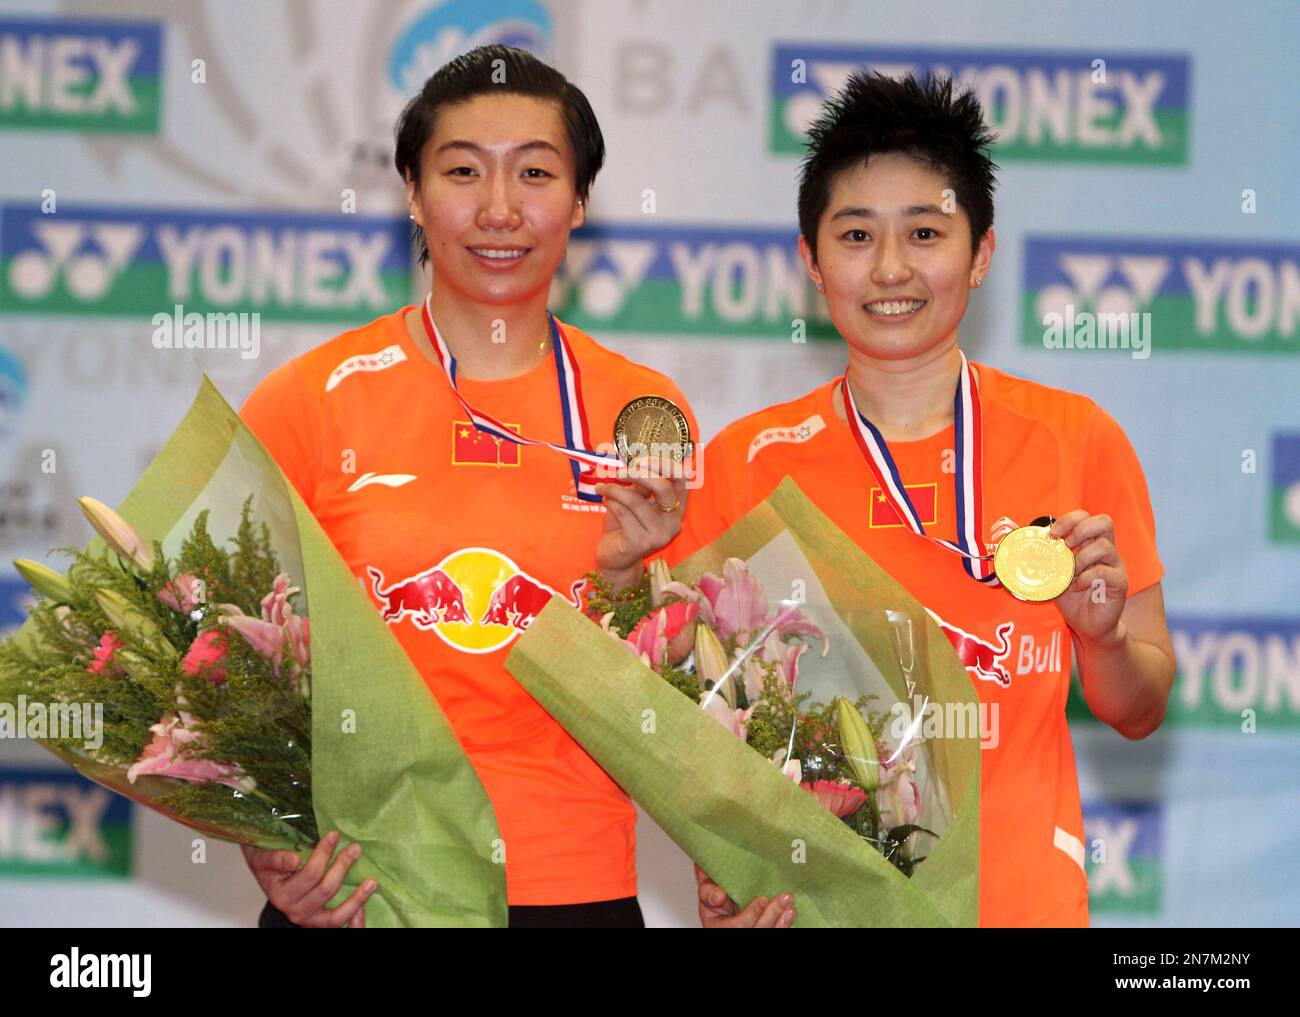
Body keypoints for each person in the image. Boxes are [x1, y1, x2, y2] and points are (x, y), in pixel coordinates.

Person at [665, 71, 1175, 928]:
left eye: (926, 232)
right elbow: (706, 730)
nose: (891, 268)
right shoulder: (747, 464)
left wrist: (1108, 638)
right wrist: (724, 870)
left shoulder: (1074, 439)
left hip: (1023, 906)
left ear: (980, 254)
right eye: (857, 234)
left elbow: (1140, 709)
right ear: (809, 259)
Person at [238, 45, 693, 928]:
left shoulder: (642, 415)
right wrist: (264, 830)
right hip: (362, 883)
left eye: (534, 172)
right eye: (461, 171)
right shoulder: (313, 399)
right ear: (412, 191)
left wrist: (626, 584)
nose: (498, 209)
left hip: (568, 886)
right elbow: (221, 647)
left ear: (581, 200)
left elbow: (691, 698)